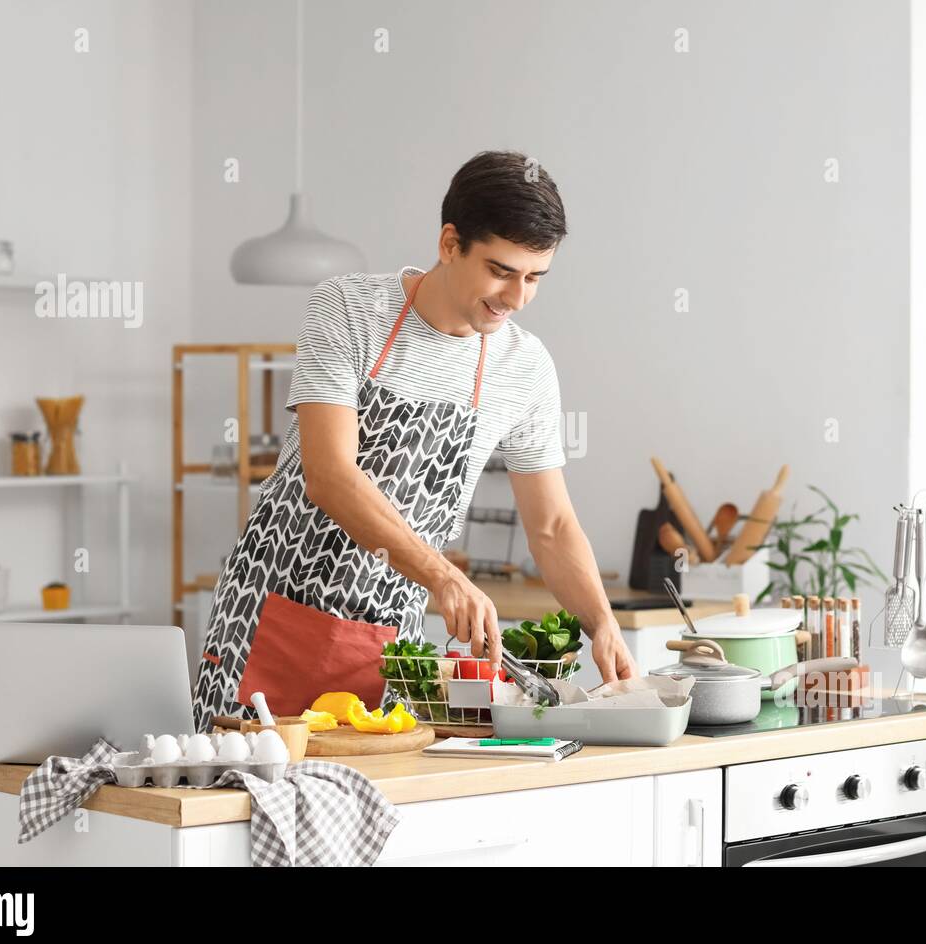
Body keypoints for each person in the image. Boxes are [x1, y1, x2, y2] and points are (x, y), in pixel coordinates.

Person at [192, 150, 636, 731]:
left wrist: (600, 621)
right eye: (501, 271)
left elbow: (551, 527)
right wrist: (446, 577)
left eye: (534, 278)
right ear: (450, 243)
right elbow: (329, 476)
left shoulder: (525, 368)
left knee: (368, 801)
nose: (517, 297)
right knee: (237, 802)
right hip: (270, 614)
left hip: (387, 642)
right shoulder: (348, 309)